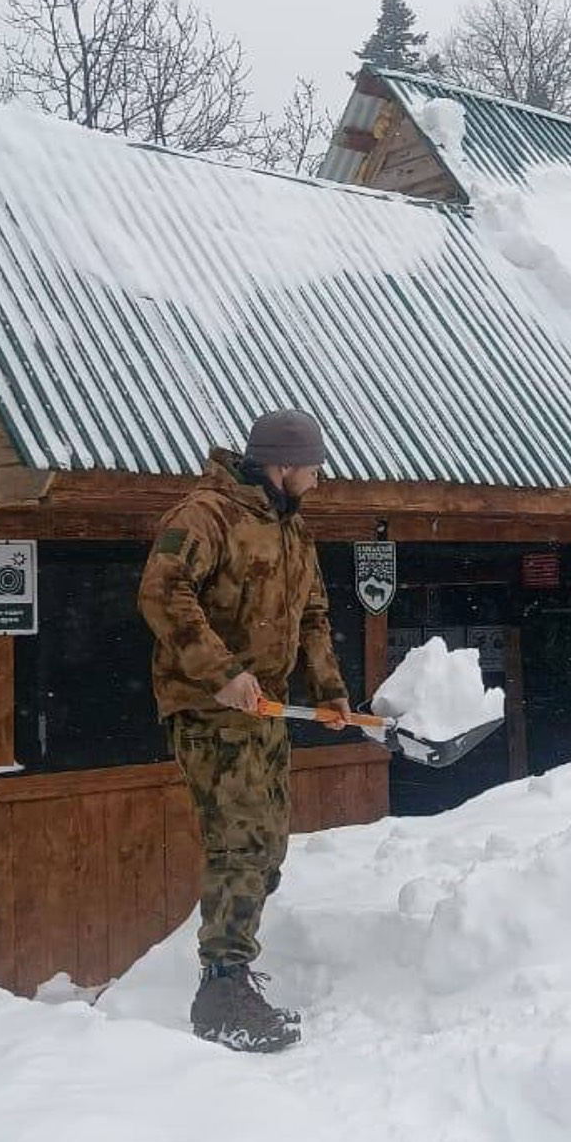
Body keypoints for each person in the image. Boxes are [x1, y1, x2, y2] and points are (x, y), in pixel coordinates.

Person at [138, 409, 351, 1050]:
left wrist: (332, 691)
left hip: (267, 711)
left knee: (267, 847)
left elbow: (312, 615)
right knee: (237, 843)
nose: (318, 478)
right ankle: (221, 991)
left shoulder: (293, 531)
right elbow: (162, 593)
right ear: (283, 464)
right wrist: (222, 672)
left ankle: (234, 972)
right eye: (313, 467)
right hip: (210, 709)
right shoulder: (206, 516)